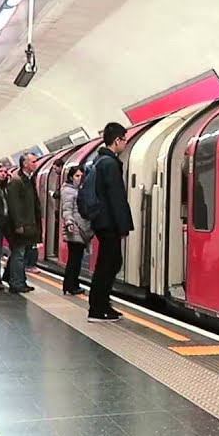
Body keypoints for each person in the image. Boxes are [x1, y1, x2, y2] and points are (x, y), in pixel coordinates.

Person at [87, 122, 134, 322]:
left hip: (101, 221)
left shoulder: (98, 161)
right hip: (109, 223)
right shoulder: (110, 164)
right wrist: (123, 226)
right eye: (124, 140)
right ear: (117, 140)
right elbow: (116, 198)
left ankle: (101, 305)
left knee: (107, 263)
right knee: (110, 263)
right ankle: (98, 308)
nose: (124, 144)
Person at [5, 153, 42, 293]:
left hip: (28, 224)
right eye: (33, 161)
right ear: (25, 164)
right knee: (19, 254)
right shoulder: (17, 181)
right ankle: (16, 283)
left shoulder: (28, 180)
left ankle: (17, 279)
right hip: (22, 225)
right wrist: (18, 224)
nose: (36, 164)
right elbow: (14, 205)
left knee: (22, 254)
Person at [59, 165, 93, 295]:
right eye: (77, 176)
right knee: (74, 258)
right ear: (71, 177)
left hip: (80, 228)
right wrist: (69, 222)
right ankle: (71, 285)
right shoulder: (68, 190)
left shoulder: (78, 189)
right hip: (74, 228)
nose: (79, 178)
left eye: (81, 176)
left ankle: (71, 284)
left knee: (76, 258)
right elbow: (66, 208)